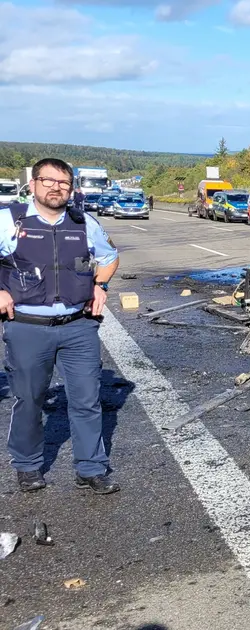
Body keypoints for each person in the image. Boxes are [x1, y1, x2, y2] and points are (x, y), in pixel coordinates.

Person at [0, 158, 121, 494]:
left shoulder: (84, 223)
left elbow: (110, 258)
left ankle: (91, 468)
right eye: (48, 180)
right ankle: (27, 465)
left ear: (71, 189)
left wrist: (101, 286)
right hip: (27, 326)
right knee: (29, 398)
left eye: (63, 183)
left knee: (87, 399)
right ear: (34, 183)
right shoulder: (9, 220)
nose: (56, 188)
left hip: (78, 326)